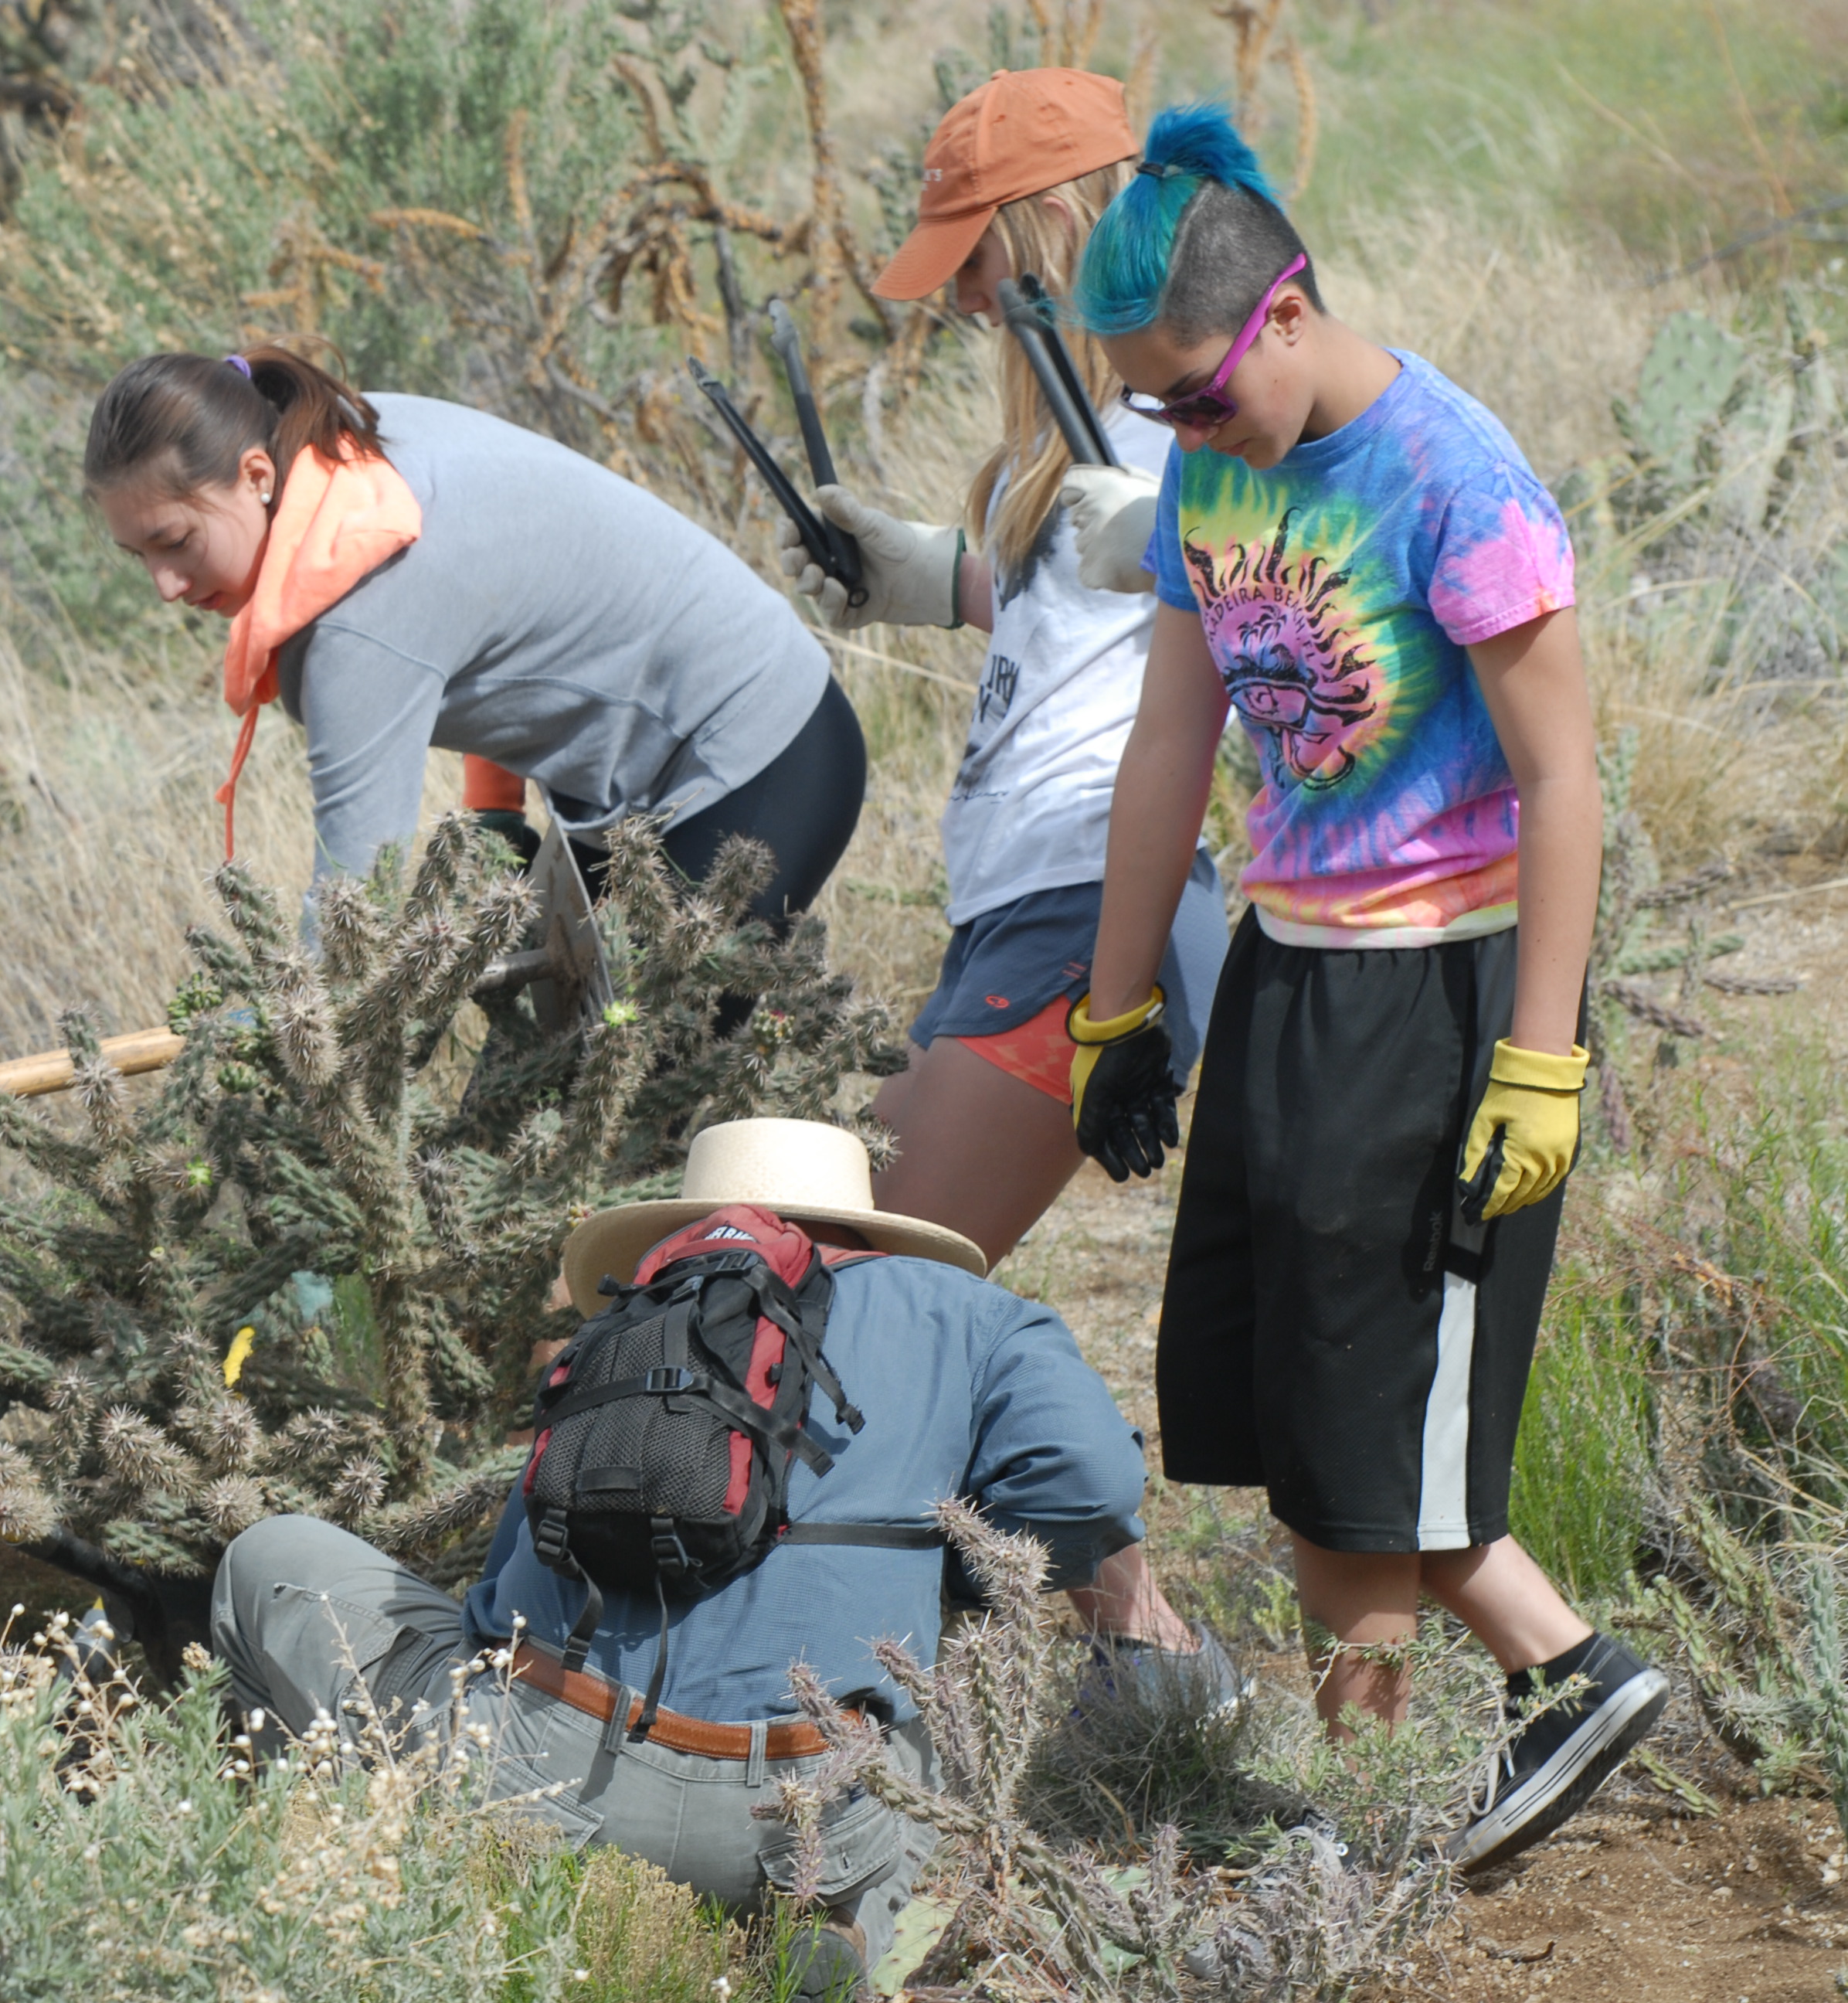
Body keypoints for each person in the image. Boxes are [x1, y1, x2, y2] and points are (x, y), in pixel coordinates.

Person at [1065, 105, 1666, 1869]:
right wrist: (1119, 1009)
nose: (1176, 433)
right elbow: (1171, 741)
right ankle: (1559, 1678)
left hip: (1442, 986)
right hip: (1287, 968)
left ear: (1289, 315)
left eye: (1192, 393)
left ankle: (1373, 1830)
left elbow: (1567, 777)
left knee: (1360, 1417)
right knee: (1295, 1398)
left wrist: (1539, 1064)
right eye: (1149, 408)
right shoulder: (1209, 468)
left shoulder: (1452, 474)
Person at [212, 1117, 1148, 1993]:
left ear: (697, 1222)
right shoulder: (975, 1318)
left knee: (269, 1553)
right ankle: (827, 1918)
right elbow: (1095, 1487)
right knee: (922, 1700)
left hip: (546, 1773)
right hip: (806, 1809)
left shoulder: (640, 1309)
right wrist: (941, 1570)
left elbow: (498, 1603)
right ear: (873, 1230)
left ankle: (317, 1894)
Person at [770, 66, 1235, 1710]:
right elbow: (1068, 609)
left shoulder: (1194, 396)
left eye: (977, 255)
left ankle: (1134, 1649)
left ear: (1057, 222)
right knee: (881, 1277)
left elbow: (1285, 571)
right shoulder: (1063, 427)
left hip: (1087, 896)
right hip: (1011, 903)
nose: (963, 295)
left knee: (875, 1276)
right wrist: (923, 572)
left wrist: (1170, 529)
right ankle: (1127, 1642)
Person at [84, 346, 865, 933]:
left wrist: (267, 1036)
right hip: (624, 794)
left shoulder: (356, 616)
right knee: (539, 1103)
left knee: (637, 1110)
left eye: (175, 541)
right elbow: (502, 602)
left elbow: (356, 912)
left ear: (255, 474)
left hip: (761, 755)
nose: (164, 585)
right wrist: (494, 809)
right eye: (137, 557)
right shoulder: (341, 445)